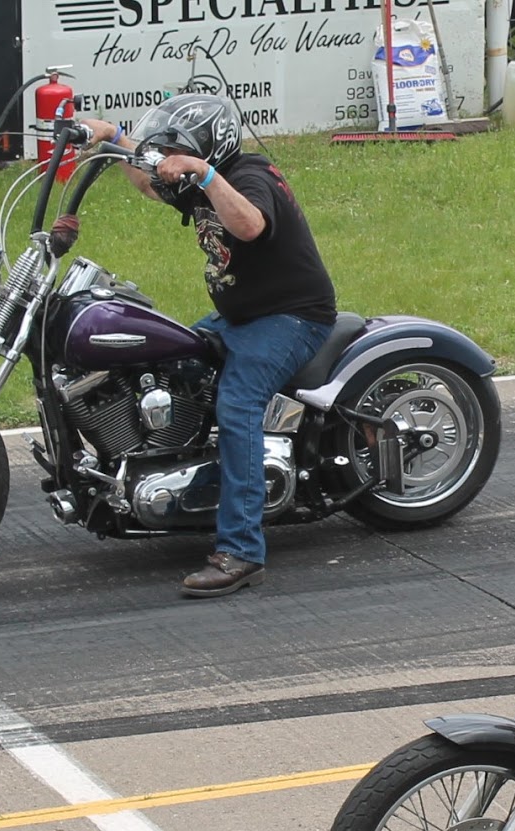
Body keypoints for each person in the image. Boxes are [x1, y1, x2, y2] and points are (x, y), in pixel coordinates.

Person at [76, 95, 338, 598]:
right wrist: (113, 138)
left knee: (237, 405)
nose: (170, 164)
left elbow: (250, 225)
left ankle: (241, 551)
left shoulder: (249, 175)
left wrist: (202, 173)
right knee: (168, 365)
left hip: (290, 317)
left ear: (206, 149)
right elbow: (148, 183)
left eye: (180, 153)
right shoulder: (198, 181)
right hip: (240, 314)